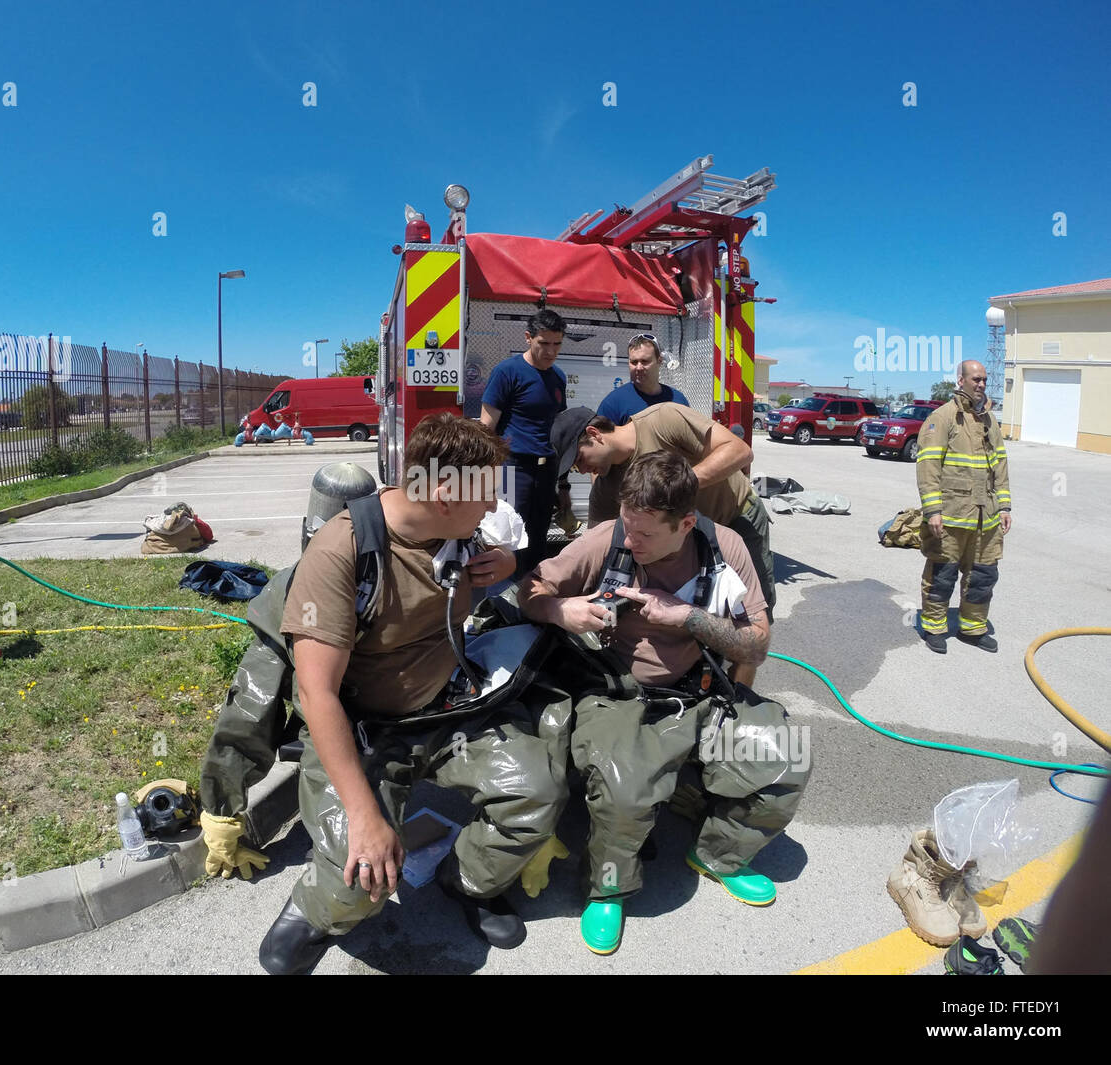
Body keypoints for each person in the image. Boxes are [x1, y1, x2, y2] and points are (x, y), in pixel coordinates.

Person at [258, 413, 568, 974]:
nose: (494, 508)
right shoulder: (344, 553)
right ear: (444, 491)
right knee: (365, 877)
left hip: (446, 708)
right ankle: (318, 908)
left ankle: (467, 881)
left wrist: (505, 564)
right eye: (486, 494)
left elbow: (488, 576)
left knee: (536, 792)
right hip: (366, 729)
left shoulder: (457, 530)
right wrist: (363, 814)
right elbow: (318, 692)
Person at [518, 451, 808, 955]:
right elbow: (531, 587)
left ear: (686, 523)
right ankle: (607, 887)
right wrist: (560, 609)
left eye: (646, 534)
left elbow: (757, 644)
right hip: (618, 693)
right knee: (624, 791)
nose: (632, 541)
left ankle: (719, 855)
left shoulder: (725, 547)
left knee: (785, 755)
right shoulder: (609, 538)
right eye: (628, 527)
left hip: (699, 691)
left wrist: (687, 617)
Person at [553, 401, 776, 681]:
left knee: (748, 625)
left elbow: (740, 451)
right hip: (681, 542)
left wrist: (675, 489)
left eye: (579, 459)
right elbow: (602, 550)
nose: (582, 470)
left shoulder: (663, 420)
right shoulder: (605, 490)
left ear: (595, 433)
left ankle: (739, 698)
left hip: (735, 515)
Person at [916, 360, 1012, 654]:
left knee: (983, 576)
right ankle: (934, 627)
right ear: (961, 380)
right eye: (975, 379)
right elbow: (928, 466)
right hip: (952, 516)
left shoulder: (988, 420)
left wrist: (1005, 506)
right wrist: (933, 510)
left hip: (987, 518)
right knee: (942, 575)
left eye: (984, 379)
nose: (981, 384)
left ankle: (972, 628)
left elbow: (1000, 464)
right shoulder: (942, 418)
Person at [480, 309, 568, 574]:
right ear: (528, 338)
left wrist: (563, 483)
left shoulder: (558, 377)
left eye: (557, 344)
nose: (551, 351)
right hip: (513, 466)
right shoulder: (507, 372)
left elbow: (560, 430)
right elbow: (486, 427)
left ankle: (531, 593)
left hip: (547, 468)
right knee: (507, 534)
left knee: (538, 534)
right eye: (544, 343)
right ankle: (502, 596)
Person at [596, 333, 689, 425]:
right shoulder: (613, 404)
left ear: (659, 361)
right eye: (634, 362)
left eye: (645, 361)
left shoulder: (678, 400)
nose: (639, 367)